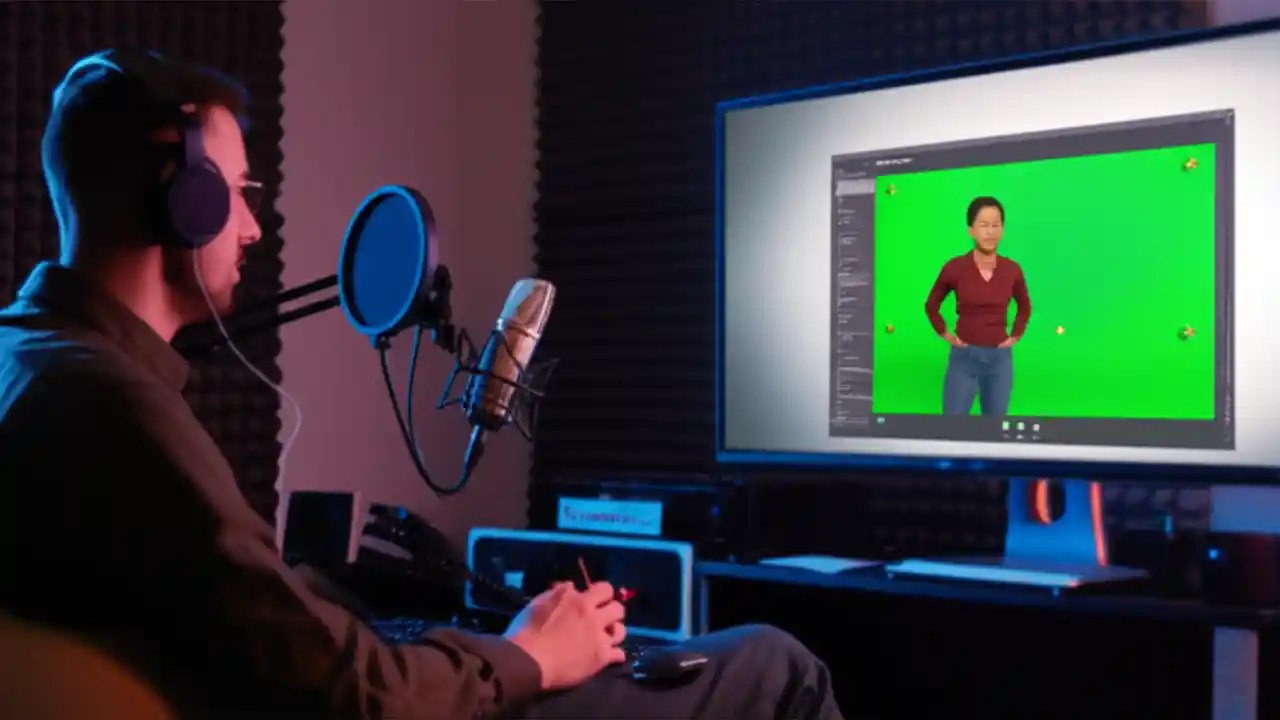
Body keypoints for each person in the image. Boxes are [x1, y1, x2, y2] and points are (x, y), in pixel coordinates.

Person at [0, 49, 845, 720]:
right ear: (182, 201)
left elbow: (239, 614)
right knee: (776, 666)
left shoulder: (32, 364)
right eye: (240, 193)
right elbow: (357, 694)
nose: (253, 226)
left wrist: (366, 609)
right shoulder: (113, 408)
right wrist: (530, 656)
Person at [923, 196, 1031, 417]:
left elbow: (1025, 306)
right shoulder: (954, 267)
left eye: (995, 225)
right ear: (971, 230)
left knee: (994, 428)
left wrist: (1015, 335)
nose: (990, 232)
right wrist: (946, 335)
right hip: (964, 359)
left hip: (999, 361)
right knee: (953, 425)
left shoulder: (1012, 269)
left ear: (1002, 229)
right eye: (983, 225)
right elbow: (931, 305)